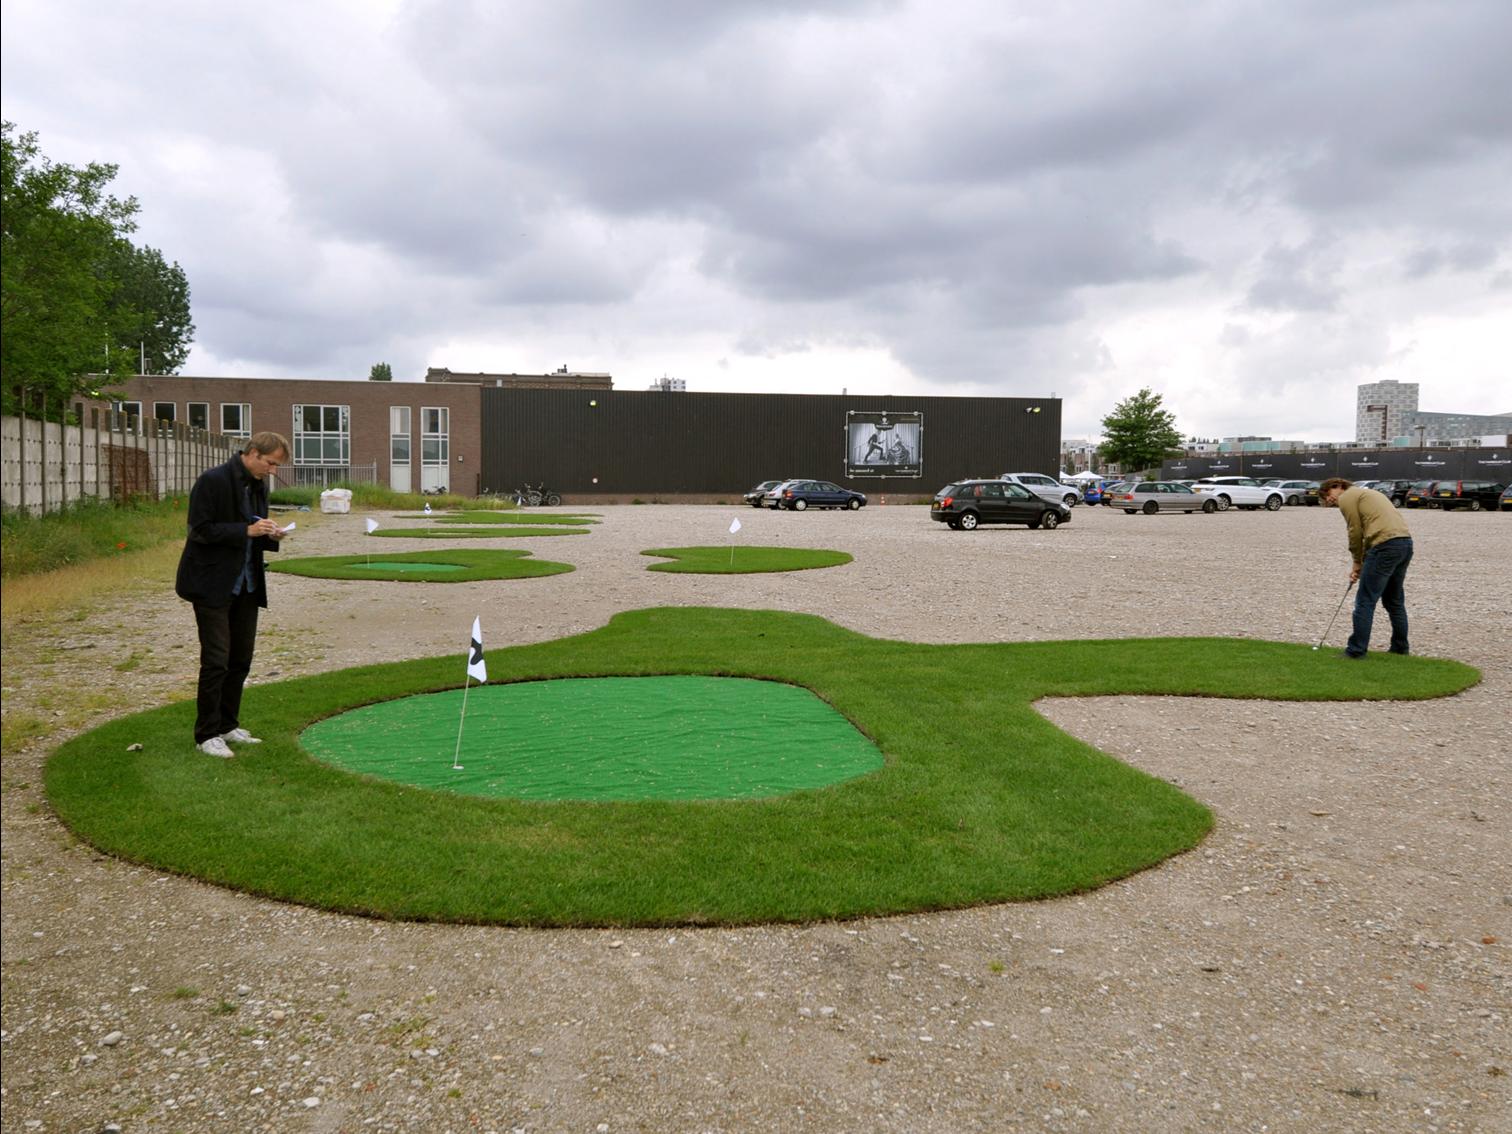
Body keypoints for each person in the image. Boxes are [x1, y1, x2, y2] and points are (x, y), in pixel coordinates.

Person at [176, 432, 291, 756]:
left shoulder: (258, 485)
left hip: (247, 584)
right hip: (212, 584)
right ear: (253, 453)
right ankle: (206, 734)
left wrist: (271, 533)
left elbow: (255, 528)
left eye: (276, 466)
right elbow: (199, 529)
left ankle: (227, 725)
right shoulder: (213, 480)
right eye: (270, 463)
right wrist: (246, 530)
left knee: (240, 659)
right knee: (216, 660)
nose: (272, 471)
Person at [1318, 476, 1413, 659]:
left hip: (1384, 545)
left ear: (1338, 486)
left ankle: (1356, 650)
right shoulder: (1368, 493)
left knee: (1365, 601)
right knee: (1394, 600)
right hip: (1404, 544)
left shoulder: (1347, 497)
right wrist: (1363, 561)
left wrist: (1356, 562)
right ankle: (1400, 648)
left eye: (1327, 494)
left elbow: (1355, 531)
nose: (1328, 499)